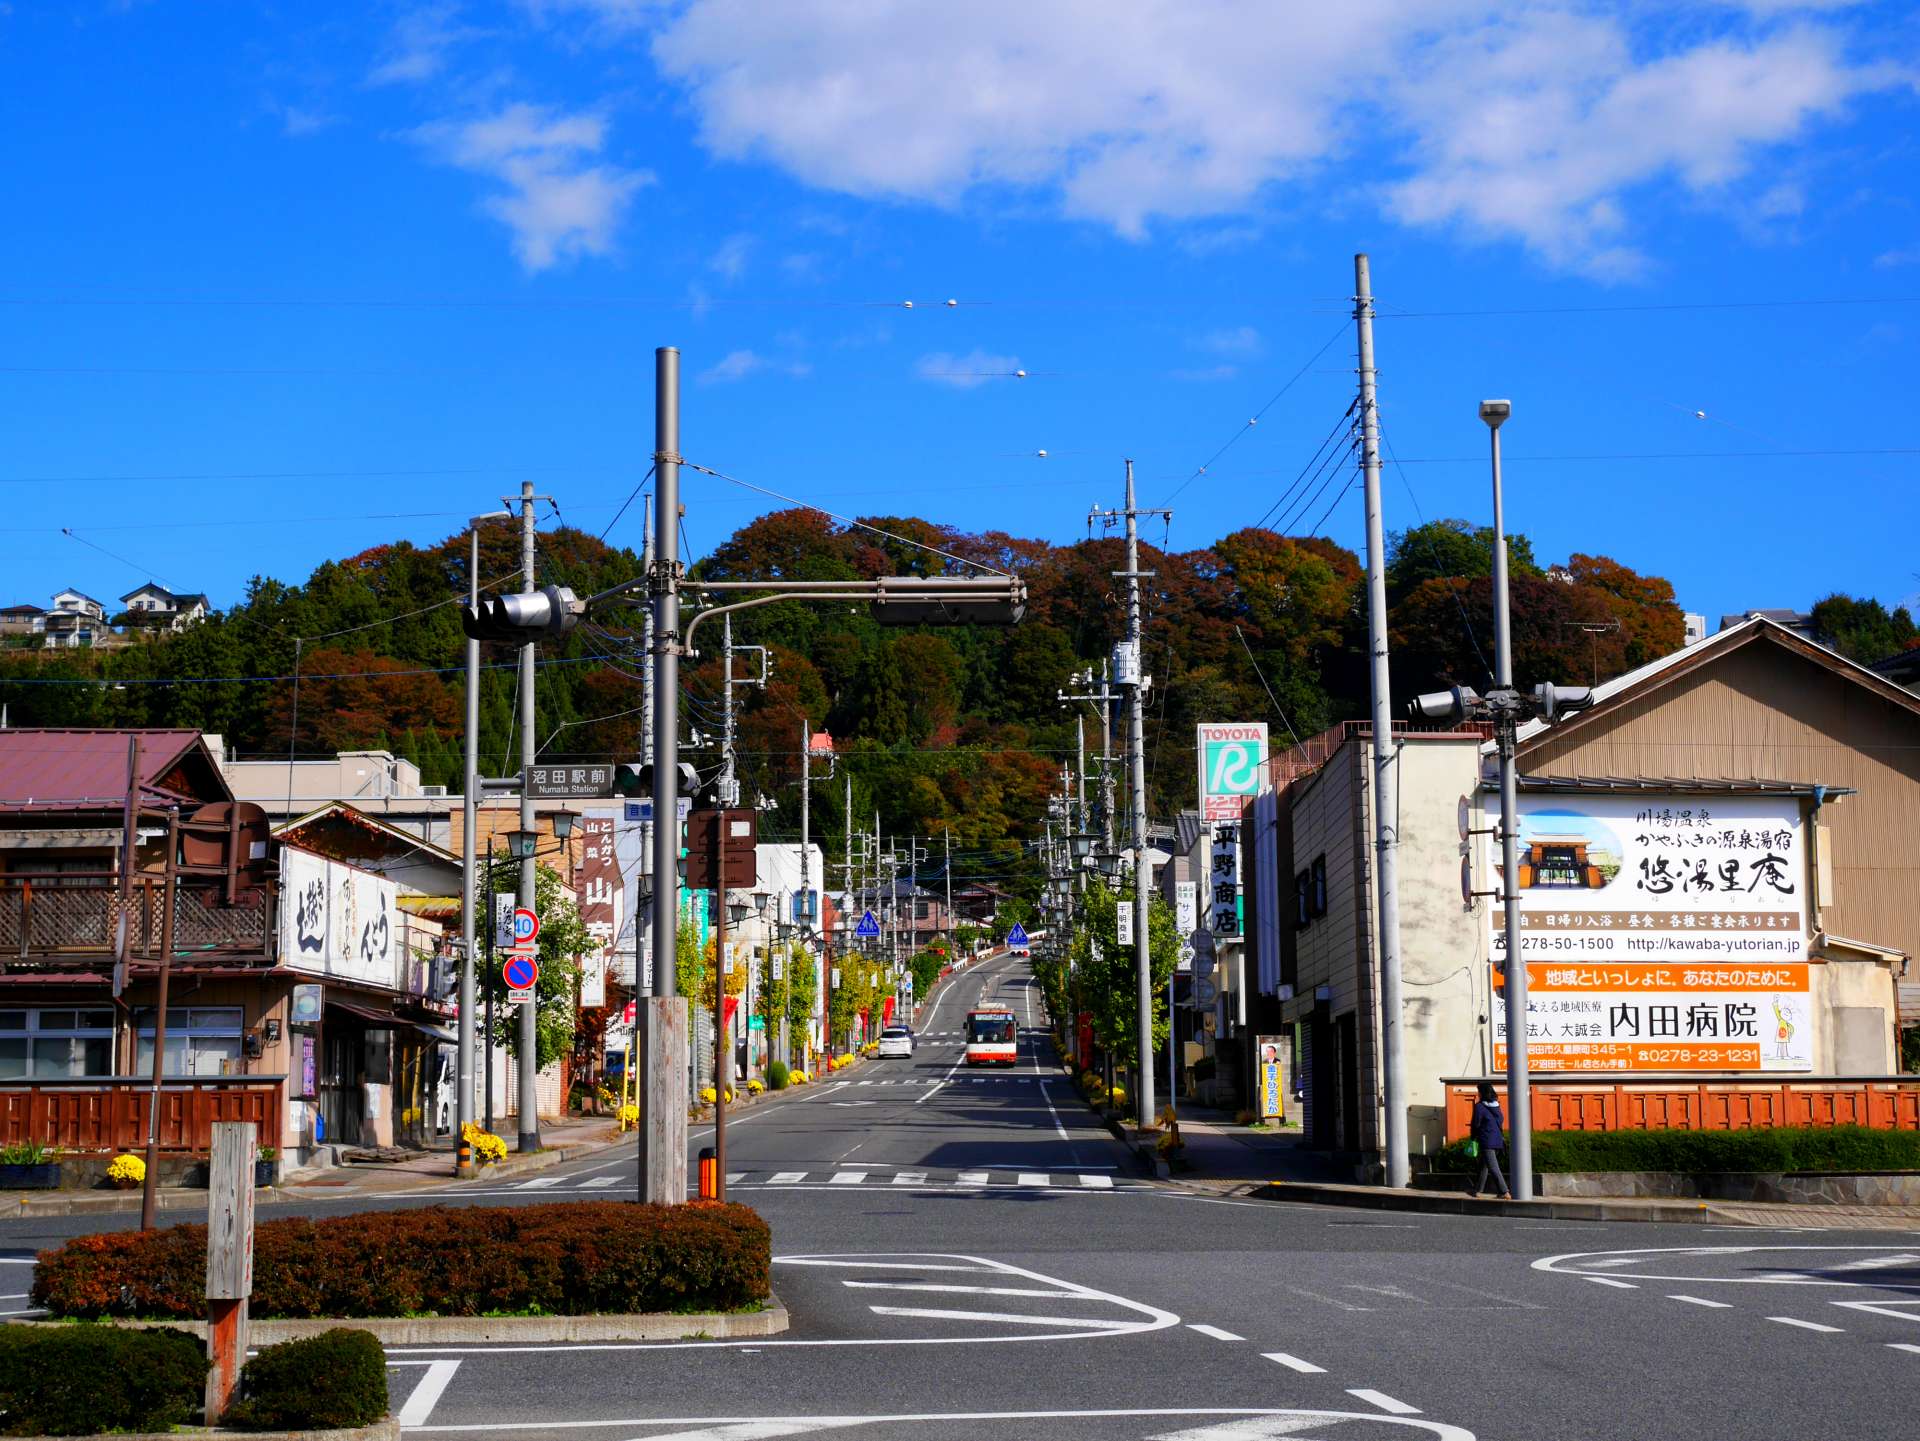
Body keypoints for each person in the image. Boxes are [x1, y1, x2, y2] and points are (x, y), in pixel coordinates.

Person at [1470, 1081, 1512, 1199]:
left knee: (1493, 1167)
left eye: (1478, 1091)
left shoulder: (1479, 1106)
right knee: (1484, 1165)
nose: (1478, 1094)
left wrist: (1473, 1138)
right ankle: (1477, 1190)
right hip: (1498, 1140)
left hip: (1486, 1141)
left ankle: (1504, 1191)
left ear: (1482, 1092)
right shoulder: (1496, 1106)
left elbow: (1475, 1124)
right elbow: (1500, 1121)